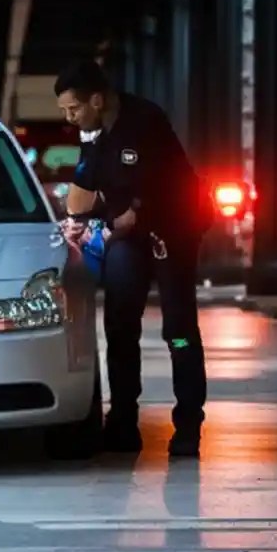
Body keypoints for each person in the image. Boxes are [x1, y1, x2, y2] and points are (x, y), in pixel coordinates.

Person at [55, 58, 212, 458]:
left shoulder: (145, 120)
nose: (70, 119)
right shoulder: (92, 133)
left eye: (73, 109)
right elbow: (81, 193)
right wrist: (77, 218)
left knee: (178, 328)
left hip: (172, 230)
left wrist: (127, 215)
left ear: (96, 99)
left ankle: (189, 424)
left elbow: (161, 186)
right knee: (121, 325)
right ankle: (123, 421)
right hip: (129, 235)